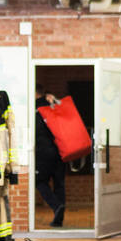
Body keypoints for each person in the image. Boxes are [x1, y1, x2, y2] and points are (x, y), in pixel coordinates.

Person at [35, 87, 66, 227]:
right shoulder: (54, 105)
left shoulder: (36, 109)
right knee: (59, 183)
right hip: (61, 150)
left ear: (36, 94)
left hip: (44, 152)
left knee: (39, 181)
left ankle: (56, 205)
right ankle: (59, 218)